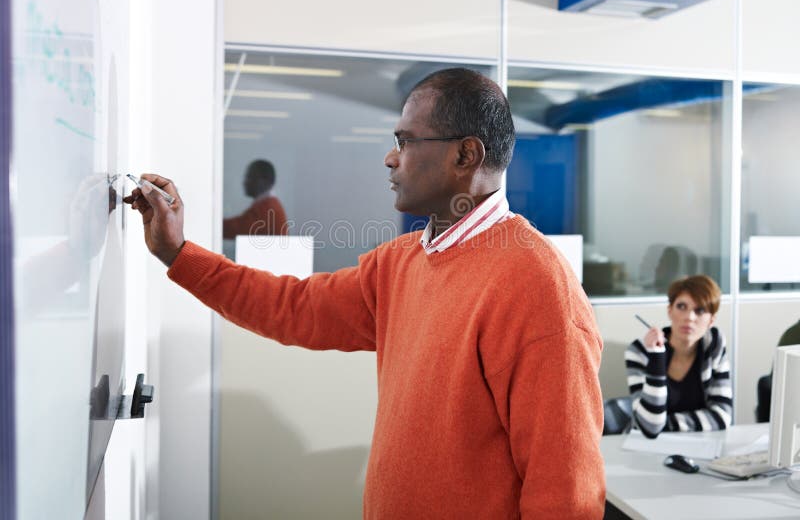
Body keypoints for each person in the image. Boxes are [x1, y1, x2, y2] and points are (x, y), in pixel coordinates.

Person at [124, 68, 605, 518]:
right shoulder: (399, 263)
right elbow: (292, 308)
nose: (390, 157)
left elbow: (566, 493)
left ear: (465, 156)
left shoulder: (538, 289)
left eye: (405, 141)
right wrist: (177, 253)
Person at [625, 275, 732, 438]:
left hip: (699, 444)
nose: (689, 317)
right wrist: (656, 357)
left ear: (711, 320)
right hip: (644, 447)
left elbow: (722, 415)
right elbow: (650, 426)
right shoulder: (640, 351)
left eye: (700, 310)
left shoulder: (714, 344)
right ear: (670, 311)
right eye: (682, 306)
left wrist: (665, 425)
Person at [222, 159, 288, 238]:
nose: (245, 182)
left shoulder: (268, 208)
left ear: (264, 181)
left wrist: (210, 222)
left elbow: (235, 229)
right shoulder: (269, 205)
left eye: (249, 177)